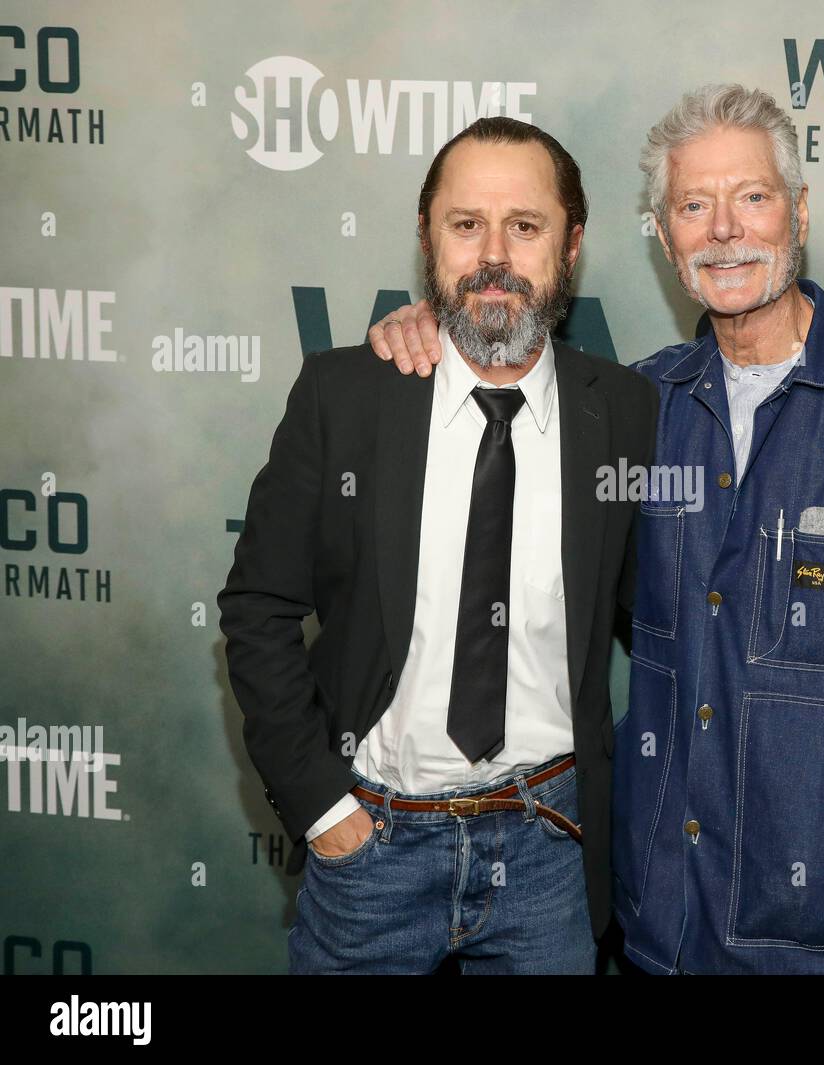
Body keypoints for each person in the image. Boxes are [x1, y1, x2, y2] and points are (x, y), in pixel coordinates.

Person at [369, 84, 824, 974]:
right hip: (665, 923)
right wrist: (429, 334)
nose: (723, 229)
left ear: (799, 210)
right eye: (692, 205)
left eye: (750, 197)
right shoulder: (636, 408)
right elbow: (500, 366)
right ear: (665, 234)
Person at [218, 116, 658, 973]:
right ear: (428, 241)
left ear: (571, 246)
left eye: (525, 226)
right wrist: (322, 809)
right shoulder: (344, 396)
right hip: (369, 852)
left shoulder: (628, 413)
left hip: (549, 852)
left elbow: (665, 619)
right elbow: (257, 610)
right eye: (466, 225)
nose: (494, 254)